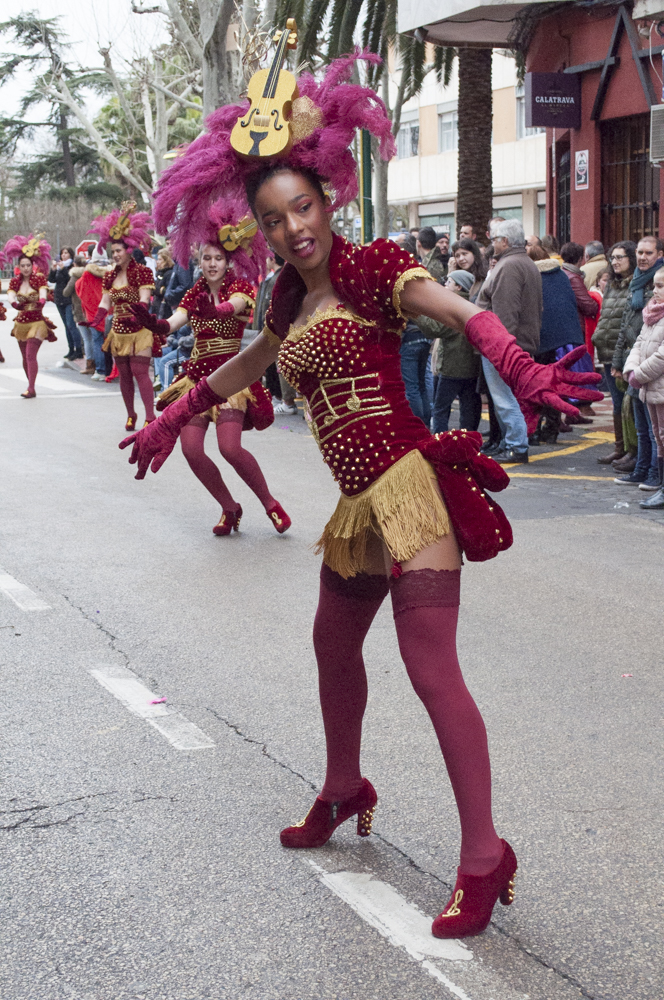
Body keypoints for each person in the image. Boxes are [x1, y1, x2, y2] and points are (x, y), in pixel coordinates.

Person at [120, 54, 601, 941]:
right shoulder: (283, 297)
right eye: (274, 219)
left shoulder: (375, 267)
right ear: (261, 230)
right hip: (355, 512)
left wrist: (519, 364)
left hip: (410, 491)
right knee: (332, 647)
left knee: (430, 669)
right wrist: (172, 416)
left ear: (328, 199)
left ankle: (484, 857)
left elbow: (457, 310)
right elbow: (249, 363)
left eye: (302, 208)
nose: (293, 228)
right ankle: (344, 787)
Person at [134, 205, 290, 537]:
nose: (212, 264)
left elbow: (234, 306)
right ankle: (230, 508)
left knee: (229, 448)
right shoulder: (194, 293)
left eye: (218, 258)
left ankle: (270, 503)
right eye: (206, 258)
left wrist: (216, 310)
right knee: (191, 450)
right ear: (199, 260)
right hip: (195, 380)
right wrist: (156, 324)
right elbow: (175, 321)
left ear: (228, 261)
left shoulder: (240, 287)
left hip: (230, 379)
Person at [82, 202, 156, 429]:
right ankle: (131, 414)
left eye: (118, 251)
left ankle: (150, 416)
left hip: (139, 330)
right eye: (112, 251)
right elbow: (105, 302)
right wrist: (95, 320)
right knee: (124, 375)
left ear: (129, 250)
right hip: (118, 331)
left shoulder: (142, 272)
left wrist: (137, 315)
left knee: (140, 372)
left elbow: (144, 300)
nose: (115, 255)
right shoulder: (109, 276)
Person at [476, 218, 543, 464]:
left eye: (494, 239)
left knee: (505, 398)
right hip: (516, 343)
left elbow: (506, 313)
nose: (492, 244)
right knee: (508, 397)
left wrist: (499, 348)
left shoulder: (510, 266)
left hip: (504, 346)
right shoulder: (524, 262)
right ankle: (510, 443)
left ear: (504, 241)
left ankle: (516, 445)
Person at [611, 236, 663, 485]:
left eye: (648, 253)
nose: (642, 257)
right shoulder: (636, 283)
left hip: (651, 371)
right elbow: (629, 328)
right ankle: (641, 469)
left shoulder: (655, 286)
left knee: (656, 431)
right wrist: (621, 362)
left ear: (659, 255)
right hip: (636, 364)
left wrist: (638, 371)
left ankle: (654, 474)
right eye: (639, 252)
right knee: (642, 426)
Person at [531, 247, 586, 444]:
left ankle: (535, 430)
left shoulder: (533, 276)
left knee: (536, 385)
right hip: (563, 339)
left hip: (540, 339)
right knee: (552, 384)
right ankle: (551, 428)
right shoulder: (560, 274)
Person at [417, 269, 482, 433]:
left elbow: (435, 328)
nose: (445, 285)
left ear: (459, 287)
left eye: (449, 282)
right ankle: (468, 441)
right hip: (471, 368)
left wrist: (416, 313)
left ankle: (440, 441)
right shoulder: (473, 305)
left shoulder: (454, 307)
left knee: (440, 409)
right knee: (468, 409)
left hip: (451, 368)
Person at [624, 265, 664, 509]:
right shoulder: (652, 313)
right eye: (654, 285)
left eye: (660, 286)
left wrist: (639, 374)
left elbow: (662, 356)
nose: (655, 290)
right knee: (658, 436)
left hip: (657, 384)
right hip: (650, 386)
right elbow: (639, 343)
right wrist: (631, 368)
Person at [592, 241, 636, 464]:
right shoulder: (611, 284)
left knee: (628, 404)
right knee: (617, 403)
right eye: (613, 258)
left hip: (624, 353)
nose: (615, 262)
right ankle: (620, 447)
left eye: (620, 257)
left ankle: (632, 450)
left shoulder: (635, 285)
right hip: (607, 351)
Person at [2, 234, 56, 397]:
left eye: (28, 265)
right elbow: (11, 295)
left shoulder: (39, 279)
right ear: (18, 266)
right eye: (23, 265)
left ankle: (31, 388)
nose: (26, 268)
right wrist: (14, 304)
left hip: (36, 323)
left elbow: (43, 293)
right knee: (25, 358)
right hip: (21, 323)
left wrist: (41, 301)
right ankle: (30, 385)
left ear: (33, 265)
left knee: (30, 355)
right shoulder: (15, 282)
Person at [76, 245, 111, 381]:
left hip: (93, 312)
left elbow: (80, 289)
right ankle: (111, 370)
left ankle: (100, 370)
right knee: (110, 341)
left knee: (97, 341)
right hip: (109, 310)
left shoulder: (88, 273)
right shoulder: (111, 272)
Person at [49, 246, 84, 360]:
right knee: (66, 326)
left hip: (69, 300)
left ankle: (79, 349)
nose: (63, 255)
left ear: (70, 254)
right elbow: (52, 280)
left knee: (71, 325)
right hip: (59, 299)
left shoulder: (71, 267)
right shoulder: (59, 267)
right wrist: (53, 270)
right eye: (62, 253)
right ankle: (71, 349)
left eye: (66, 253)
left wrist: (63, 268)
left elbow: (69, 280)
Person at [152, 249, 174, 319]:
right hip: (156, 306)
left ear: (166, 260)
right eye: (157, 259)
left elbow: (166, 291)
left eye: (160, 259)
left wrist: (155, 289)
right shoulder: (159, 272)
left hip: (164, 308)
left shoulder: (169, 273)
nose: (157, 262)